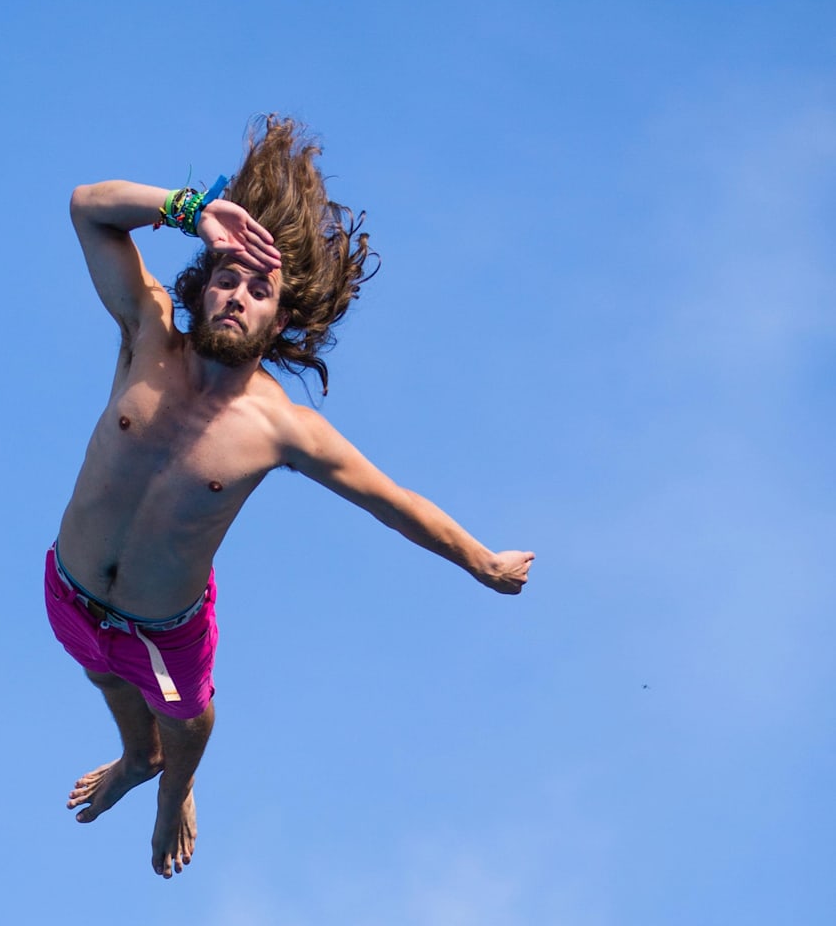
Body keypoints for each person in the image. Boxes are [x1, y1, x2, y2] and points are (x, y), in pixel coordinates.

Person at [45, 115, 536, 879]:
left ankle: (171, 789)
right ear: (202, 287)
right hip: (68, 593)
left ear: (279, 317)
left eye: (260, 289)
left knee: (190, 721)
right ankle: (134, 758)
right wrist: (188, 210)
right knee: (104, 676)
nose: (239, 296)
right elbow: (87, 206)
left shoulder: (283, 428)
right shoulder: (148, 335)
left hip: (162, 626)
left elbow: (395, 501)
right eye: (227, 278)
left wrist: (483, 562)